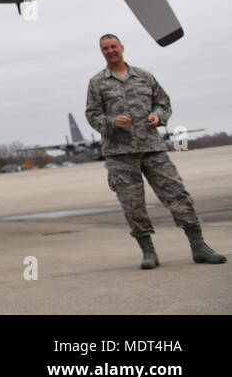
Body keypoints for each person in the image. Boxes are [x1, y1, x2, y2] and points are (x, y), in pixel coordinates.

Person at [85, 33, 225, 270]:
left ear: (121, 47)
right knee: (133, 204)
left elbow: (163, 103)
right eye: (105, 48)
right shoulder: (97, 82)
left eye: (113, 46)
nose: (110, 51)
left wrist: (158, 116)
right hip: (120, 154)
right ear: (102, 53)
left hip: (152, 148)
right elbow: (92, 114)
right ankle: (148, 252)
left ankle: (199, 246)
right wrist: (111, 122)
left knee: (177, 194)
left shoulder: (144, 76)